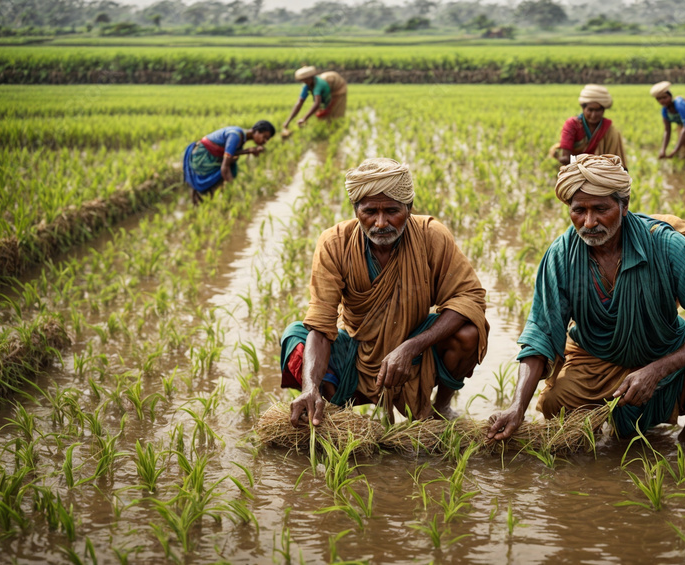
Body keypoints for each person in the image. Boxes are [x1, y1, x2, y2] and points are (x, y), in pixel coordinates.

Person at [487, 154, 685, 444]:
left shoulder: (665, 245)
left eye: (600, 209)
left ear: (624, 206)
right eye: (578, 210)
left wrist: (657, 370)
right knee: (553, 404)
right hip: (595, 360)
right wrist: (516, 406)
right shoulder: (561, 255)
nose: (589, 222)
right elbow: (541, 334)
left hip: (661, 353)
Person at [281, 158, 489, 426]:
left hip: (414, 343)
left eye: (392, 210)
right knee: (296, 337)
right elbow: (321, 325)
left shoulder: (431, 236)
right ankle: (325, 411)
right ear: (356, 210)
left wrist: (411, 346)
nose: (380, 223)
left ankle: (441, 409)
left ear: (409, 207)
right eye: (370, 212)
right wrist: (309, 385)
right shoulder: (334, 243)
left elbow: (468, 297)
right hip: (357, 346)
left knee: (469, 330)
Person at [182, 120, 274, 205]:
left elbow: (230, 152)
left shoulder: (242, 136)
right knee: (227, 170)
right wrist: (233, 190)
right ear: (256, 131)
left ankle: (208, 200)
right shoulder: (235, 136)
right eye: (264, 137)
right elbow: (224, 167)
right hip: (202, 157)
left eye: (267, 139)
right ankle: (210, 198)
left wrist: (249, 151)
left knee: (232, 163)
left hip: (211, 155)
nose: (264, 141)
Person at [549, 84, 627, 169]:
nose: (593, 115)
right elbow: (566, 157)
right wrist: (557, 157)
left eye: (598, 110)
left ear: (603, 110)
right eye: (590, 110)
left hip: (603, 175)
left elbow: (618, 163)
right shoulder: (572, 125)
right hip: (576, 172)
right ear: (583, 108)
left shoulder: (609, 130)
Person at [282, 66, 348, 136]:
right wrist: (288, 121)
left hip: (338, 89)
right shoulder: (307, 86)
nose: (303, 82)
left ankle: (336, 133)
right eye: (302, 80)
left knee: (335, 115)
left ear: (310, 78)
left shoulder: (319, 85)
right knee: (322, 115)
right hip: (325, 94)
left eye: (305, 80)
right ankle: (325, 132)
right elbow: (300, 102)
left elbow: (317, 104)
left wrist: (304, 118)